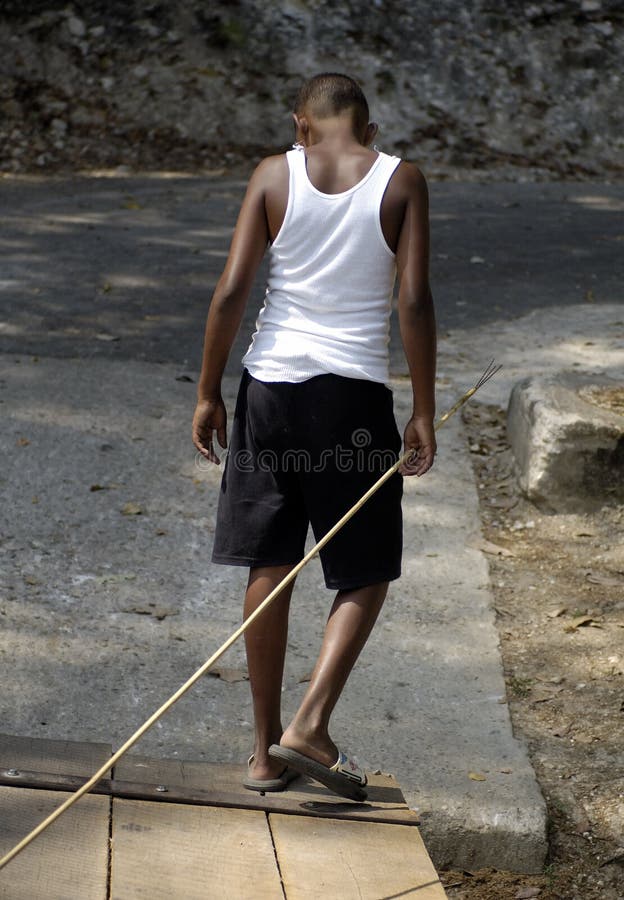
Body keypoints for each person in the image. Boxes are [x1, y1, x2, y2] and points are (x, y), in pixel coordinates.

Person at [192, 72, 436, 801]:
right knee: (364, 567)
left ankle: (265, 755)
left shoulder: (273, 174)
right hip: (352, 401)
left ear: (301, 125)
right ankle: (310, 724)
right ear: (367, 127)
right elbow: (414, 298)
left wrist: (208, 389)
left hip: (268, 389)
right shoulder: (401, 181)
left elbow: (234, 288)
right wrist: (422, 406)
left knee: (269, 562)